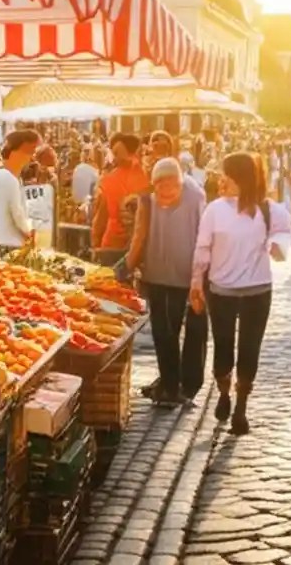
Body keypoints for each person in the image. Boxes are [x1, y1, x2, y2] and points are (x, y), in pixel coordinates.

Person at [190, 152, 291, 435]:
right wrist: (196, 284)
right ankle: (224, 392)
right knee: (223, 347)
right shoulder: (214, 210)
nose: (220, 179)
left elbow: (284, 234)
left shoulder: (268, 209)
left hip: (257, 291)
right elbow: (202, 249)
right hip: (221, 290)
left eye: (225, 174)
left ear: (238, 177)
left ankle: (241, 408)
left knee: (250, 348)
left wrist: (277, 245)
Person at [126, 157, 207, 405]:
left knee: (176, 329)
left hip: (187, 275)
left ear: (181, 182)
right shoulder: (148, 201)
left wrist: (201, 273)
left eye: (172, 185)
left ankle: (178, 385)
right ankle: (170, 385)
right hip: (156, 273)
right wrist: (129, 265)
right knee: (163, 330)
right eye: (160, 186)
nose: (166, 191)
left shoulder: (195, 197)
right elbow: (139, 235)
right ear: (154, 185)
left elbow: (203, 233)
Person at [91, 133, 150, 265]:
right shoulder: (148, 176)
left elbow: (100, 218)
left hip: (113, 243)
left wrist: (95, 244)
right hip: (143, 246)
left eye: (115, 152)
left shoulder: (108, 179)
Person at [0, 129, 41, 249]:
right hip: (13, 244)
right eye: (29, 152)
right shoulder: (8, 178)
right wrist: (30, 232)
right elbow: (17, 213)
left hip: (2, 241)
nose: (31, 158)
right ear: (17, 152)